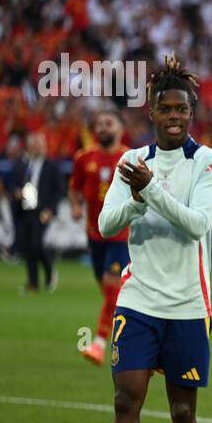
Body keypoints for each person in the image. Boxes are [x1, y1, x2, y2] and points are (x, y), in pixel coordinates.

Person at [73, 56, 212, 423]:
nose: (176, 117)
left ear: (192, 113)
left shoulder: (210, 163)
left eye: (183, 109)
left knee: (183, 409)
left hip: (187, 305)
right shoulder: (130, 161)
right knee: (126, 400)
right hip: (138, 299)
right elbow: (104, 223)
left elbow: (197, 225)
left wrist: (149, 194)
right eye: (167, 110)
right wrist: (138, 196)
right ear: (153, 113)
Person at [70, 108, 131, 365]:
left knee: (111, 288)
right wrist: (75, 206)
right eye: (100, 124)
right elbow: (74, 187)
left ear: (120, 128)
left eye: (109, 123)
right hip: (94, 235)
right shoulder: (84, 157)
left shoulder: (130, 158)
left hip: (121, 234)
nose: (104, 128)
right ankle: (128, 331)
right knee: (110, 293)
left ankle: (99, 343)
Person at [10, 130, 64, 294]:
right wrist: (15, 192)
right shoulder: (23, 165)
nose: (39, 148)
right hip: (25, 210)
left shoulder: (52, 166)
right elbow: (11, 182)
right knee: (28, 248)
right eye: (36, 145)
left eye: (41, 145)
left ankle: (49, 271)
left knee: (37, 244)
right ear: (29, 147)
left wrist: (50, 209)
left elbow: (59, 189)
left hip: (42, 211)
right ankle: (33, 283)